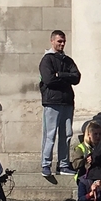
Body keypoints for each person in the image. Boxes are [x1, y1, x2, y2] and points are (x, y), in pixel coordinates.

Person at [39, 29, 81, 177]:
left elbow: (76, 77)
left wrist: (60, 75)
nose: (62, 44)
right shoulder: (47, 60)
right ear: (52, 41)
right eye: (59, 41)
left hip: (67, 102)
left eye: (63, 41)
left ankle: (63, 165)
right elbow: (48, 79)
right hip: (52, 102)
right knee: (50, 134)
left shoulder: (67, 60)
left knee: (67, 134)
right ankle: (46, 164)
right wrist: (65, 78)